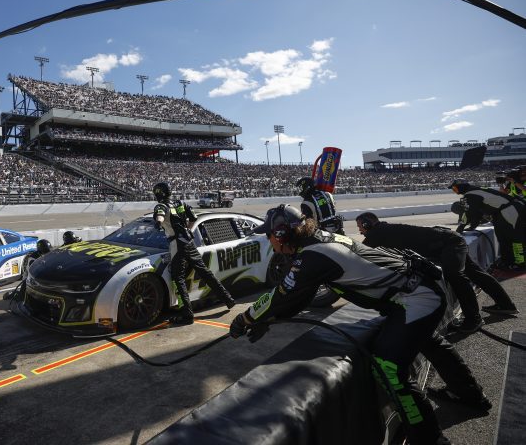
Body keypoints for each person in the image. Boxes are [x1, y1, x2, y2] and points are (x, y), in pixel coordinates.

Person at [230, 204, 491, 445]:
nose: (268, 240)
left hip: (416, 298)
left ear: (282, 234)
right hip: (419, 289)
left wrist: (246, 317)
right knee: (429, 341)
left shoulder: (313, 256)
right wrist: (270, 316)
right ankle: (470, 396)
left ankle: (429, 439)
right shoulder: (319, 241)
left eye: (269, 235)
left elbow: (283, 295)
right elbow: (299, 297)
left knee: (388, 367)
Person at [356, 212, 518, 331]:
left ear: (366, 224)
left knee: (454, 275)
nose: (359, 231)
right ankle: (505, 304)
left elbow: (359, 251)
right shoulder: (383, 229)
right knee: (476, 274)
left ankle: (473, 319)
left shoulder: (377, 232)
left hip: (449, 244)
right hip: (449, 241)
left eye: (360, 227)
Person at [152, 182, 235, 324]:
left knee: (177, 278)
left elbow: (160, 216)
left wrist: (158, 223)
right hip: (190, 242)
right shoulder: (180, 203)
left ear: (158, 194)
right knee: (205, 272)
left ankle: (187, 314)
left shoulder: (161, 206)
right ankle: (228, 299)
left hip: (177, 244)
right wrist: (188, 230)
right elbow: (194, 218)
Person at [449, 178, 525, 271]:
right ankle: (508, 262)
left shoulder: (470, 194)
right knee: (503, 237)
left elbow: (469, 214)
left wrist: (459, 230)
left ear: (461, 186)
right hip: (505, 210)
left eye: (455, 189)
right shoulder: (476, 190)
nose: (455, 191)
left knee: (513, 237)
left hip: (509, 210)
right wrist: (473, 226)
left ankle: (519, 263)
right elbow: (477, 213)